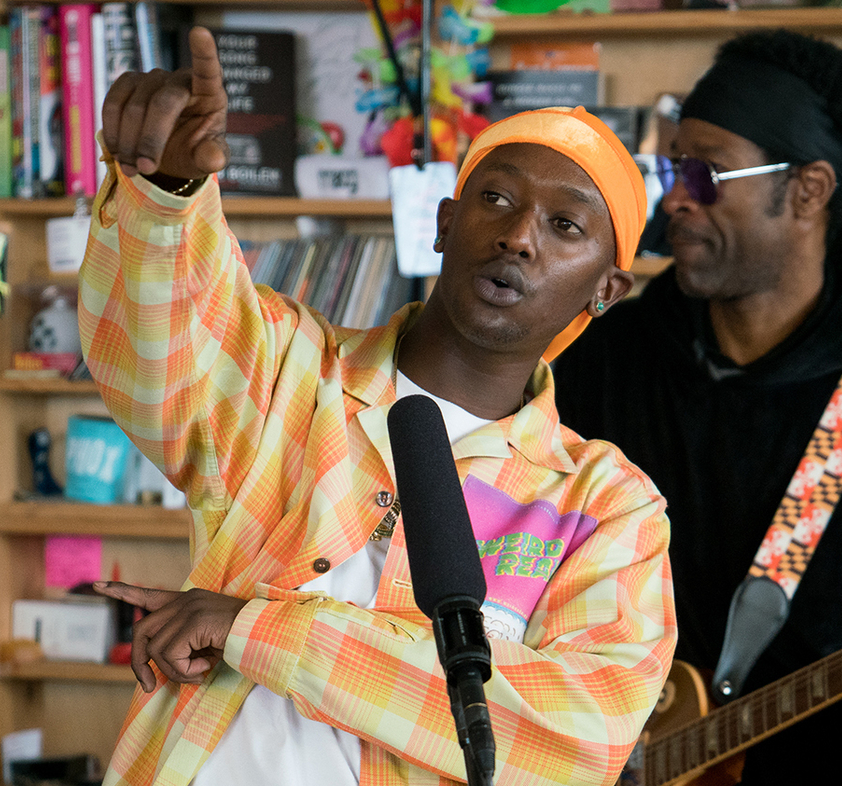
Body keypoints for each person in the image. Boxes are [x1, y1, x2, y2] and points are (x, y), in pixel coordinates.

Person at [78, 26, 675, 786]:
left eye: (565, 225)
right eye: (495, 198)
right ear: (446, 224)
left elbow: (578, 739)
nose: (519, 238)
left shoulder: (607, 509)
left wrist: (255, 629)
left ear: (605, 291)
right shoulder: (293, 371)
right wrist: (166, 198)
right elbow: (150, 352)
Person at [554, 30, 842, 786]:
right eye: (675, 166)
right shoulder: (596, 356)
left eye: (706, 174)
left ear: (808, 190)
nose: (675, 197)